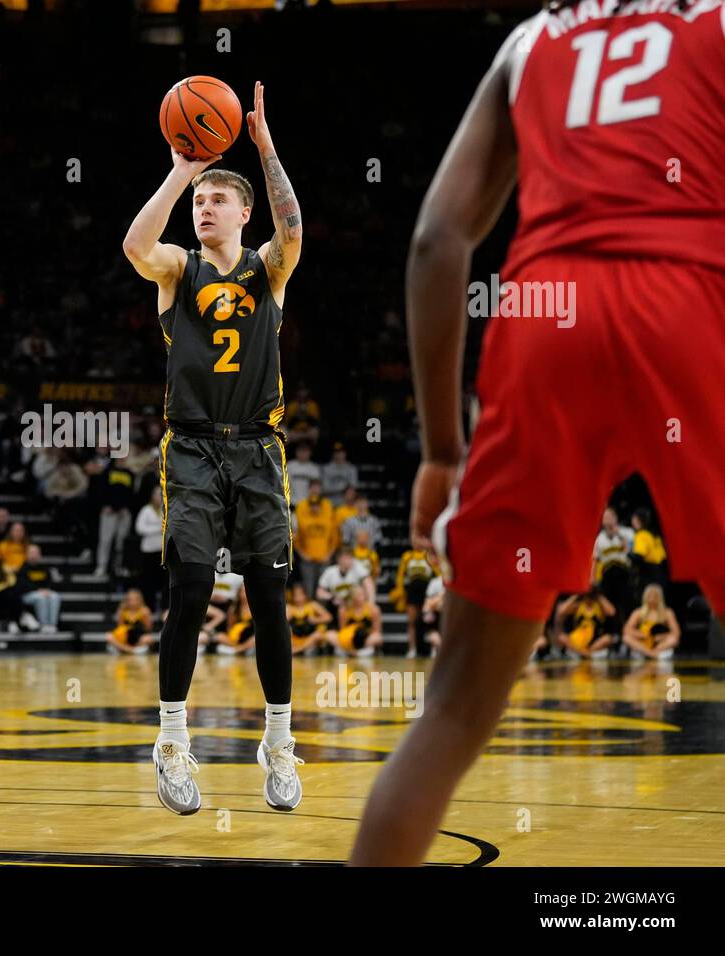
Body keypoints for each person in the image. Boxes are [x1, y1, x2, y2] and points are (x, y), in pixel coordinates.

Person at [352, 5, 725, 865]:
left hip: (543, 314)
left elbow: (436, 242)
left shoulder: (532, 40)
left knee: (451, 710)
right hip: (691, 301)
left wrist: (444, 451)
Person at [123, 80, 305, 814]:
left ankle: (280, 743)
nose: (205, 208)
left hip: (259, 448)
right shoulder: (176, 268)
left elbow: (294, 228)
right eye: (199, 201)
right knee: (190, 590)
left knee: (269, 600)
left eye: (216, 200)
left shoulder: (270, 268)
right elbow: (135, 244)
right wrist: (179, 169)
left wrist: (262, 150)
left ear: (244, 213)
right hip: (192, 449)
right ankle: (171, 739)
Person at [622, 584, 680, 661]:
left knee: (673, 639)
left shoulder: (667, 612)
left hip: (659, 644)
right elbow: (626, 630)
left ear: (660, 598)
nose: (652, 599)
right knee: (626, 638)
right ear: (645, 597)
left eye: (655, 596)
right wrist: (642, 635)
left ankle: (654, 653)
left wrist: (662, 636)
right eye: (650, 596)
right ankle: (650, 654)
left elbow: (676, 632)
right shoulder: (638, 612)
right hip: (643, 643)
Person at [107, 588, 155, 654]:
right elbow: (119, 627)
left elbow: (148, 628)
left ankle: (124, 650)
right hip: (126, 637)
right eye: (130, 600)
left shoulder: (144, 611)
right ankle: (132, 650)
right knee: (109, 636)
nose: (132, 602)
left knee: (149, 639)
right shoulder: (122, 611)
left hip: (139, 637)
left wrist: (137, 628)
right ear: (126, 600)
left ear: (140, 600)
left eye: (135, 600)